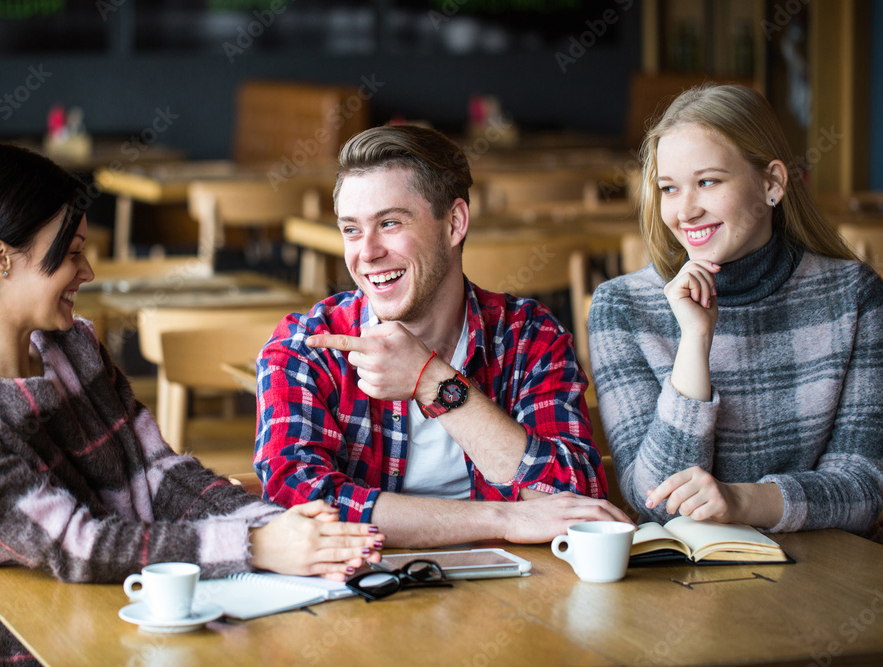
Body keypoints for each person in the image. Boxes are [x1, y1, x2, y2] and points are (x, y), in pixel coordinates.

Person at [0, 144, 384, 667]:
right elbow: (76, 546)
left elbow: (159, 474)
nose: (88, 272)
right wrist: (258, 544)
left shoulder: (71, 346)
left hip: (138, 622)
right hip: (26, 652)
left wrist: (292, 530)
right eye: (71, 253)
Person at [255, 124, 631, 548]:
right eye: (352, 230)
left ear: (454, 224)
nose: (367, 252)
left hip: (519, 599)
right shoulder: (306, 348)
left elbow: (575, 501)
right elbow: (299, 503)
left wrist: (433, 380)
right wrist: (501, 519)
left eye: (390, 223)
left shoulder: (530, 337)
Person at [589, 84, 883, 537]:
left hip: (828, 582)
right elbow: (658, 502)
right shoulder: (623, 307)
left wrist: (743, 500)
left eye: (707, 181)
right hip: (687, 589)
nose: (685, 211)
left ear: (772, 183)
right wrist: (694, 343)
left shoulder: (854, 295)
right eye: (670, 188)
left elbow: (864, 490)